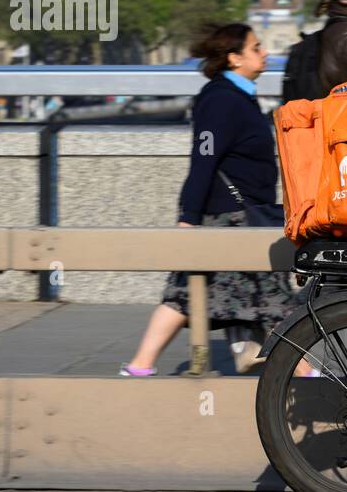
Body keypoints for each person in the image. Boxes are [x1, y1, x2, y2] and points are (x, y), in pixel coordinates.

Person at [120, 23, 310, 376]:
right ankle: (307, 377)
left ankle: (139, 367)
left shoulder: (238, 96)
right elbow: (203, 159)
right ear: (235, 58)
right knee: (268, 300)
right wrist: (188, 215)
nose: (264, 52)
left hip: (239, 215)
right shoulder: (220, 100)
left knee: (188, 295)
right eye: (256, 47)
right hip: (231, 219)